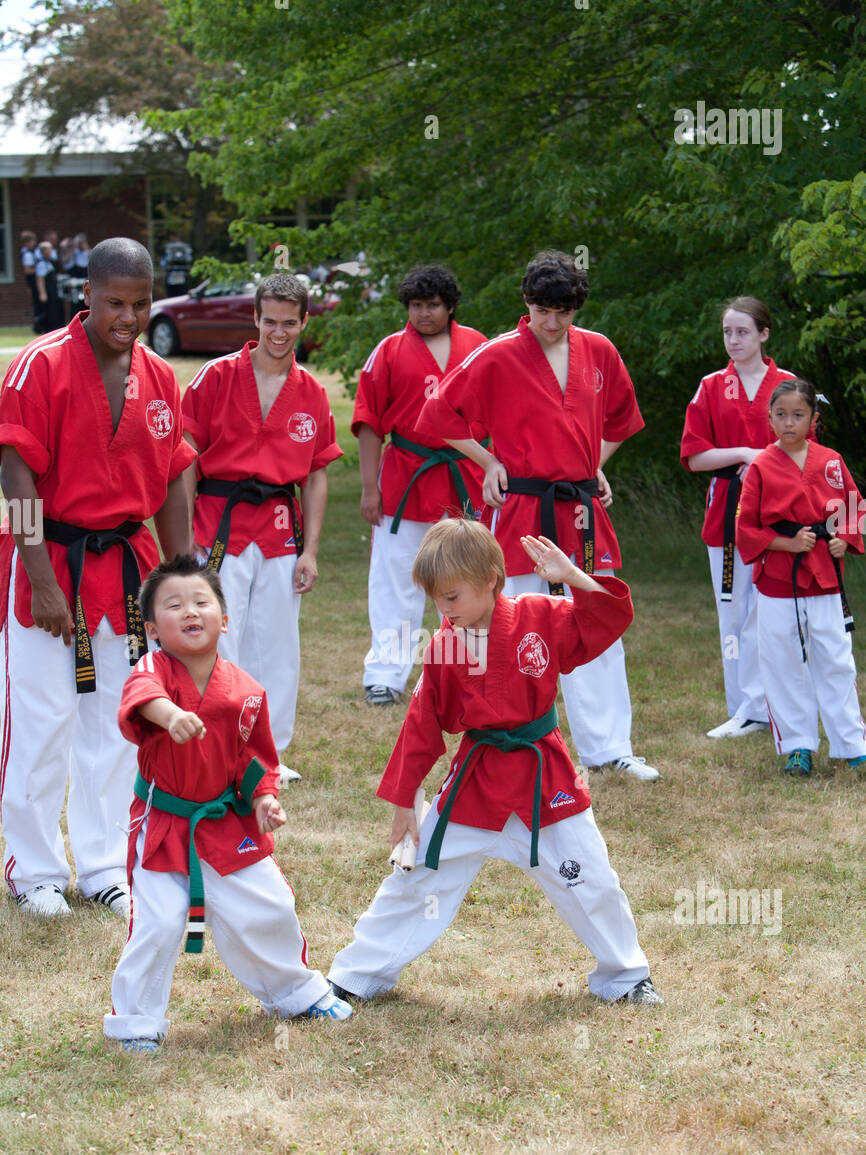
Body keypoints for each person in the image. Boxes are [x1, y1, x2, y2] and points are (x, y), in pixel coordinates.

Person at [328, 518, 662, 1005]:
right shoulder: (443, 647)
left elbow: (606, 620)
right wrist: (406, 800)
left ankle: (627, 975)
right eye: (436, 598)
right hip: (476, 783)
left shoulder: (542, 616)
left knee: (590, 876)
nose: (444, 608)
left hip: (543, 778)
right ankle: (357, 975)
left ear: (491, 580)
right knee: (418, 876)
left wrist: (572, 577)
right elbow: (421, 728)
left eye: (453, 596)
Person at [0, 236, 195, 918]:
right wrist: (40, 578)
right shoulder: (40, 365)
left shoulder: (161, 376)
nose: (129, 317)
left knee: (117, 724)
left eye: (141, 303)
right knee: (42, 720)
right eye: (115, 302)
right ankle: (33, 869)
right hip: (50, 563)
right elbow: (15, 470)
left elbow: (172, 476)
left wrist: (183, 574)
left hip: (125, 571)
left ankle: (105, 863)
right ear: (86, 295)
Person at [416, 249, 658, 781]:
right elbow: (438, 417)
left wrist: (593, 465)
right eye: (542, 311)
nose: (552, 323)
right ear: (526, 303)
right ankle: (503, 736)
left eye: (563, 313)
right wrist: (488, 461)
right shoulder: (498, 354)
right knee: (512, 622)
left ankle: (611, 747)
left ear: (577, 309)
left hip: (582, 510)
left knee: (596, 617)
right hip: (522, 505)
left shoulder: (598, 350)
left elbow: (621, 418)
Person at [103, 556, 352, 1050]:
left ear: (225, 616)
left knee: (270, 903)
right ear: (153, 627)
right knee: (160, 919)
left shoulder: (246, 691)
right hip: (166, 821)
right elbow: (141, 695)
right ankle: (134, 1021)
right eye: (174, 606)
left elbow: (254, 760)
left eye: (202, 602)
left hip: (227, 819)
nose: (191, 612)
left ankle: (295, 992)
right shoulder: (153, 668)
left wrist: (263, 800)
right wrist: (171, 715)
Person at [182, 272, 341, 786]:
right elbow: (184, 458)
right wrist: (185, 535)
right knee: (217, 639)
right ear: (254, 318)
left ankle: (267, 753)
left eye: (289, 323)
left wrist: (310, 550)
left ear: (303, 322)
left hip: (278, 528)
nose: (279, 332)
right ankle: (213, 746)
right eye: (269, 321)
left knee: (277, 644)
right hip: (219, 523)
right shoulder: (217, 377)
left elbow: (315, 476)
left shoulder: (312, 392)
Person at [355, 263, 487, 704]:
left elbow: (502, 415)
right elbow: (369, 423)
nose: (424, 313)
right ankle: (386, 676)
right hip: (405, 477)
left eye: (432, 305)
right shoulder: (389, 350)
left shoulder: (479, 347)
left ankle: (472, 667)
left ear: (450, 306)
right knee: (396, 580)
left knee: (469, 578)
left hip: (464, 476)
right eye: (416, 305)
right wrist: (369, 488)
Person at [681, 296, 804, 739]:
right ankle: (745, 709)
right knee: (734, 614)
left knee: (781, 611)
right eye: (728, 332)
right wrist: (744, 453)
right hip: (728, 509)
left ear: (764, 334)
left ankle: (783, 704)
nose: (733, 340)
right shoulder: (712, 386)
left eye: (743, 332)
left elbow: (809, 448)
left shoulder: (788, 384)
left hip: (782, 510)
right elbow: (694, 456)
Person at [736, 379, 866, 776]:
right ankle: (797, 745)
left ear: (813, 418)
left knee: (836, 660)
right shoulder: (760, 465)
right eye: (780, 415)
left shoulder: (830, 460)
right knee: (783, 662)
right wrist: (783, 543)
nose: (788, 422)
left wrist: (844, 538)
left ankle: (852, 743)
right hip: (779, 581)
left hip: (825, 576)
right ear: (770, 417)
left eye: (798, 415)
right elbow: (745, 528)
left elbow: (854, 509)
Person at [34, 240, 65, 333]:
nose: (51, 251)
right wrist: (42, 293)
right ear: (44, 251)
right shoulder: (41, 264)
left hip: (54, 290)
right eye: (49, 249)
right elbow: (40, 279)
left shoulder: (51, 262)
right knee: (50, 312)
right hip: (48, 290)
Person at [19, 231, 40, 326]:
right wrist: (39, 269)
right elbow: (27, 270)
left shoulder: (29, 253)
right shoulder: (27, 254)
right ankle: (37, 325)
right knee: (36, 304)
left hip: (32, 282)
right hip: (32, 282)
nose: (34, 243)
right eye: (32, 241)